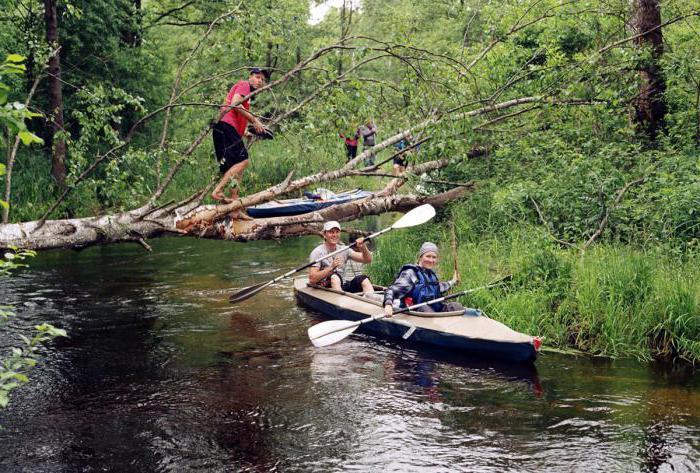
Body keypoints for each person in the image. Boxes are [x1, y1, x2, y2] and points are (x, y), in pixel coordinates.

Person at [211, 67, 270, 218]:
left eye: (263, 80)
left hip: (223, 128)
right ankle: (217, 191)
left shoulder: (247, 95)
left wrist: (245, 133)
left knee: (235, 171)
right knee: (243, 161)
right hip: (225, 126)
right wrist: (255, 120)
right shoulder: (244, 84)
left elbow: (232, 111)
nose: (260, 81)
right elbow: (236, 104)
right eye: (257, 77)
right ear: (250, 77)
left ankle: (235, 210)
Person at [383, 242, 463, 317]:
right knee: (424, 308)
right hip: (416, 313)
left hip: (433, 312)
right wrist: (388, 305)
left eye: (434, 257)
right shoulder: (410, 273)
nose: (431, 260)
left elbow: (440, 287)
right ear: (420, 257)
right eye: (428, 256)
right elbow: (392, 290)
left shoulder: (431, 274)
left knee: (456, 306)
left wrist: (453, 281)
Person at [308, 220, 375, 295]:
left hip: (341, 285)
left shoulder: (344, 249)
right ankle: (340, 304)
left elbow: (368, 260)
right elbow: (312, 279)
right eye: (331, 232)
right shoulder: (317, 252)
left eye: (337, 232)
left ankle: (372, 299)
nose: (335, 235)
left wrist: (363, 247)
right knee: (334, 277)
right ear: (324, 234)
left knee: (363, 279)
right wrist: (331, 268)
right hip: (326, 288)